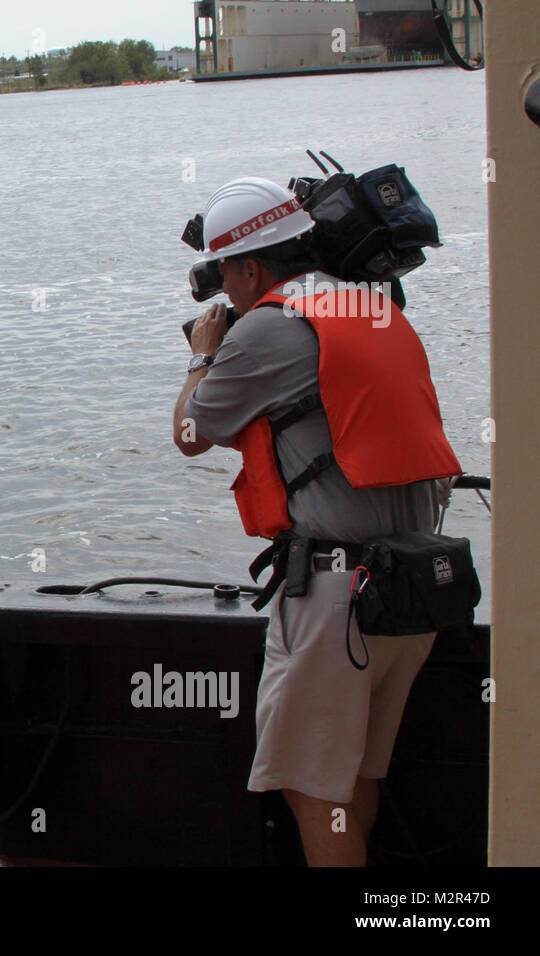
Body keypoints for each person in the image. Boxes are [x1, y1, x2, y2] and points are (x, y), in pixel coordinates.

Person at [172, 178, 462, 866]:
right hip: (414, 583)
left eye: (229, 276)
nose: (228, 294)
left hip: (340, 597)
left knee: (311, 793)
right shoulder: (371, 303)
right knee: (352, 778)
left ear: (249, 268)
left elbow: (190, 429)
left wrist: (204, 352)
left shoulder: (269, 326)